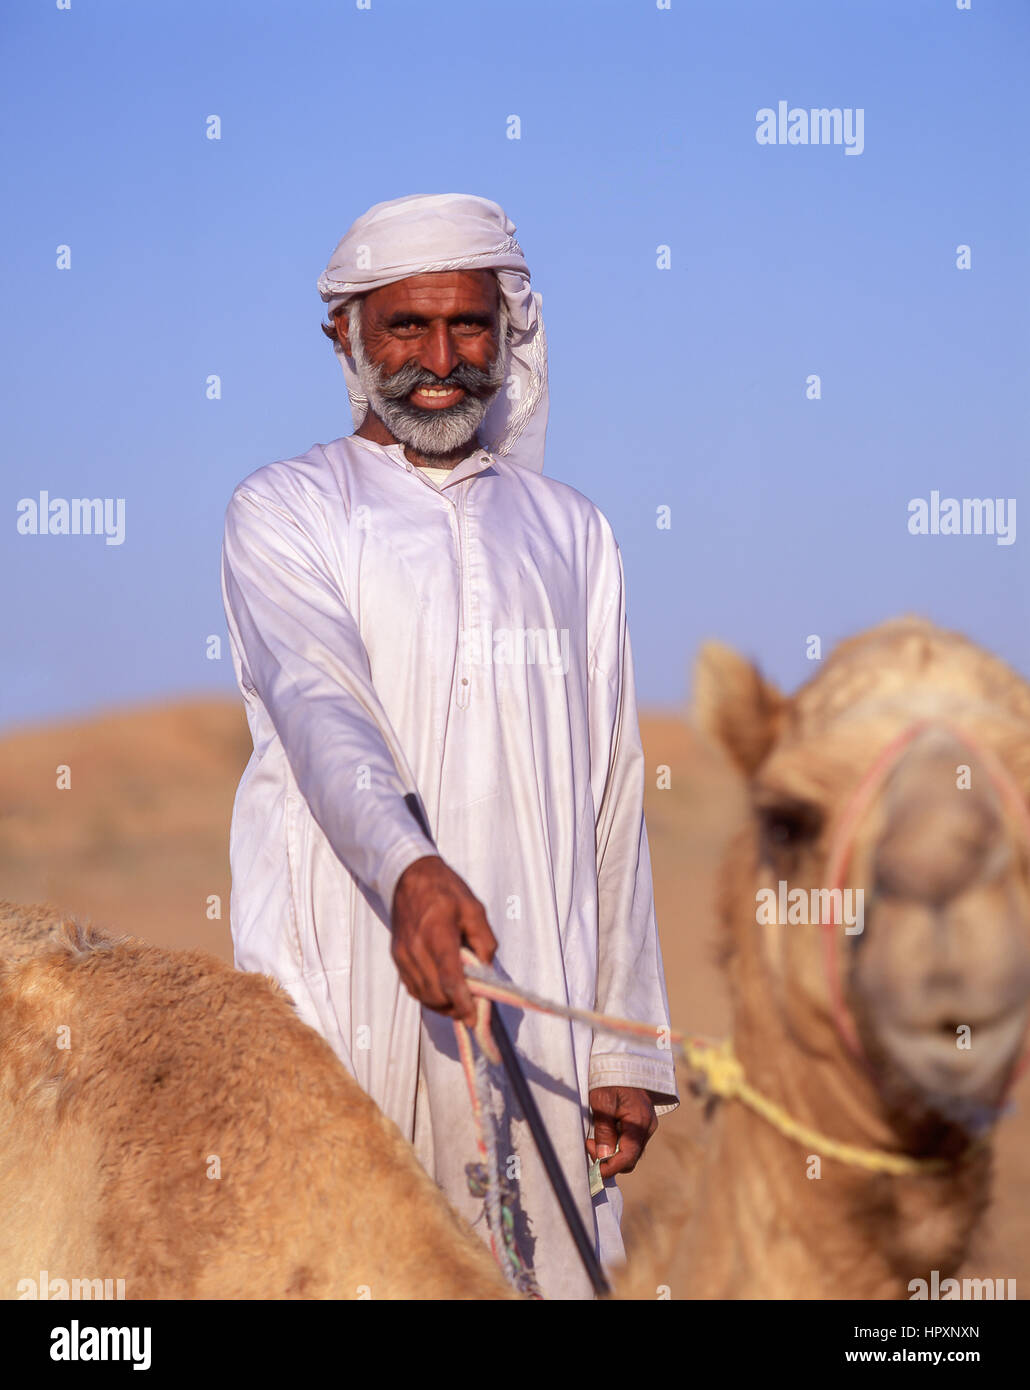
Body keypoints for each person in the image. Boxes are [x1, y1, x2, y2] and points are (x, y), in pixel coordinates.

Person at [221, 193, 678, 1299]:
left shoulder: (574, 532)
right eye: (405, 328)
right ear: (348, 336)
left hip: (539, 1006)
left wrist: (623, 1045)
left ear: (508, 330)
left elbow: (612, 793)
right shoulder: (286, 510)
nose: (440, 360)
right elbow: (321, 709)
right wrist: (410, 871)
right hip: (342, 991)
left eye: (469, 326)